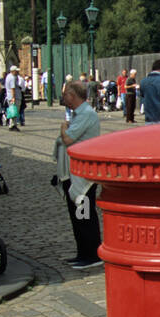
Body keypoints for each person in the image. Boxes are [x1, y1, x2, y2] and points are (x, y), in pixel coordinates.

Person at [54, 80, 102, 270]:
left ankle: (92, 254)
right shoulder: (77, 114)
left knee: (84, 215)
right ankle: (82, 252)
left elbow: (68, 139)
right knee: (77, 216)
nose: (63, 97)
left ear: (73, 95)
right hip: (73, 173)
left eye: (65, 94)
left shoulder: (86, 114)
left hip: (83, 175)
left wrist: (63, 129)